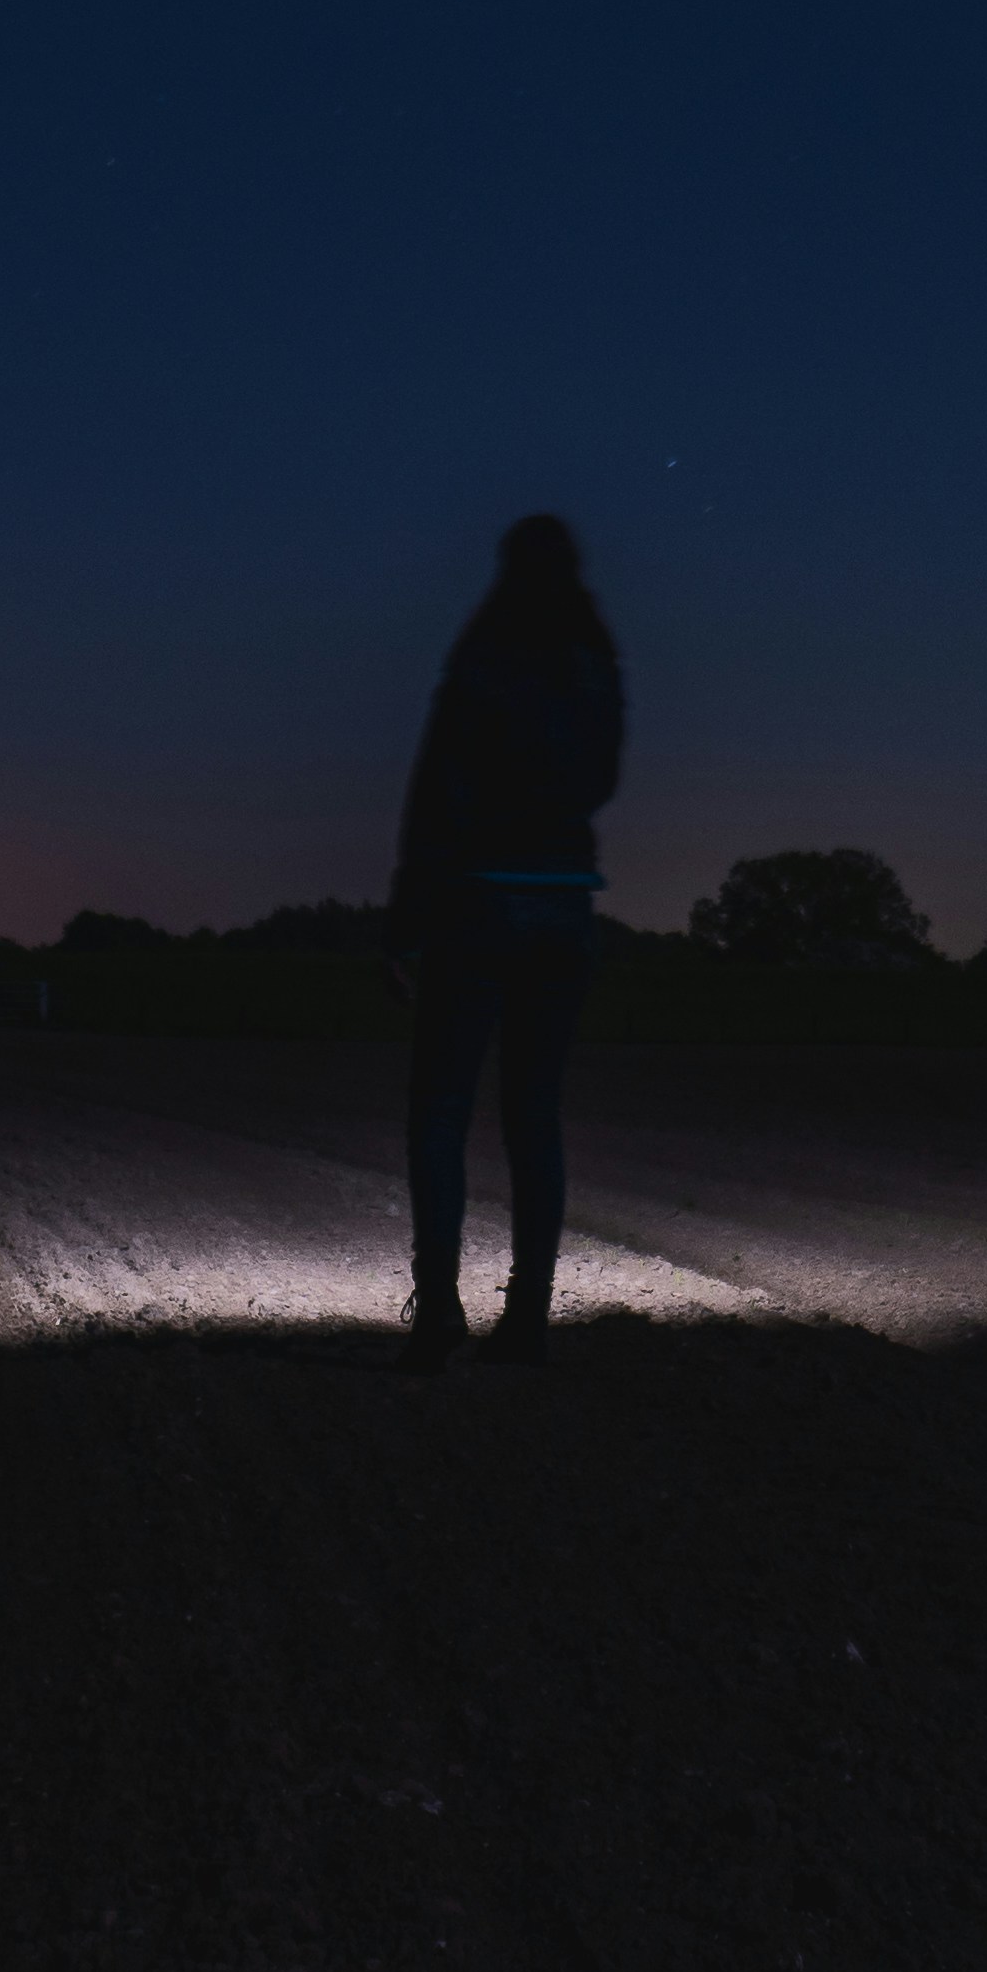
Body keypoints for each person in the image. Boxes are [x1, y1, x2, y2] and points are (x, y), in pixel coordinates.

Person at [386, 512, 625, 1368]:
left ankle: (440, 1308)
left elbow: (433, 796)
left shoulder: (479, 665)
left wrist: (404, 920)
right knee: (535, 1114)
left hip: (477, 901)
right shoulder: (598, 672)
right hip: (566, 907)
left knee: (441, 1110)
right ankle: (528, 1315)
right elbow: (602, 782)